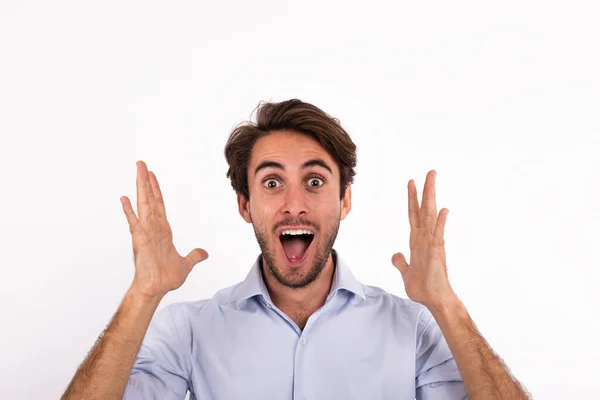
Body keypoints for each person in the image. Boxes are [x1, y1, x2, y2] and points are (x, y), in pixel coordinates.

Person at [61, 99, 530, 400]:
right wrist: (142, 295)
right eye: (271, 182)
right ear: (245, 205)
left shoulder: (413, 329)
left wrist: (446, 305)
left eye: (314, 181)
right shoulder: (189, 329)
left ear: (344, 200)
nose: (293, 205)